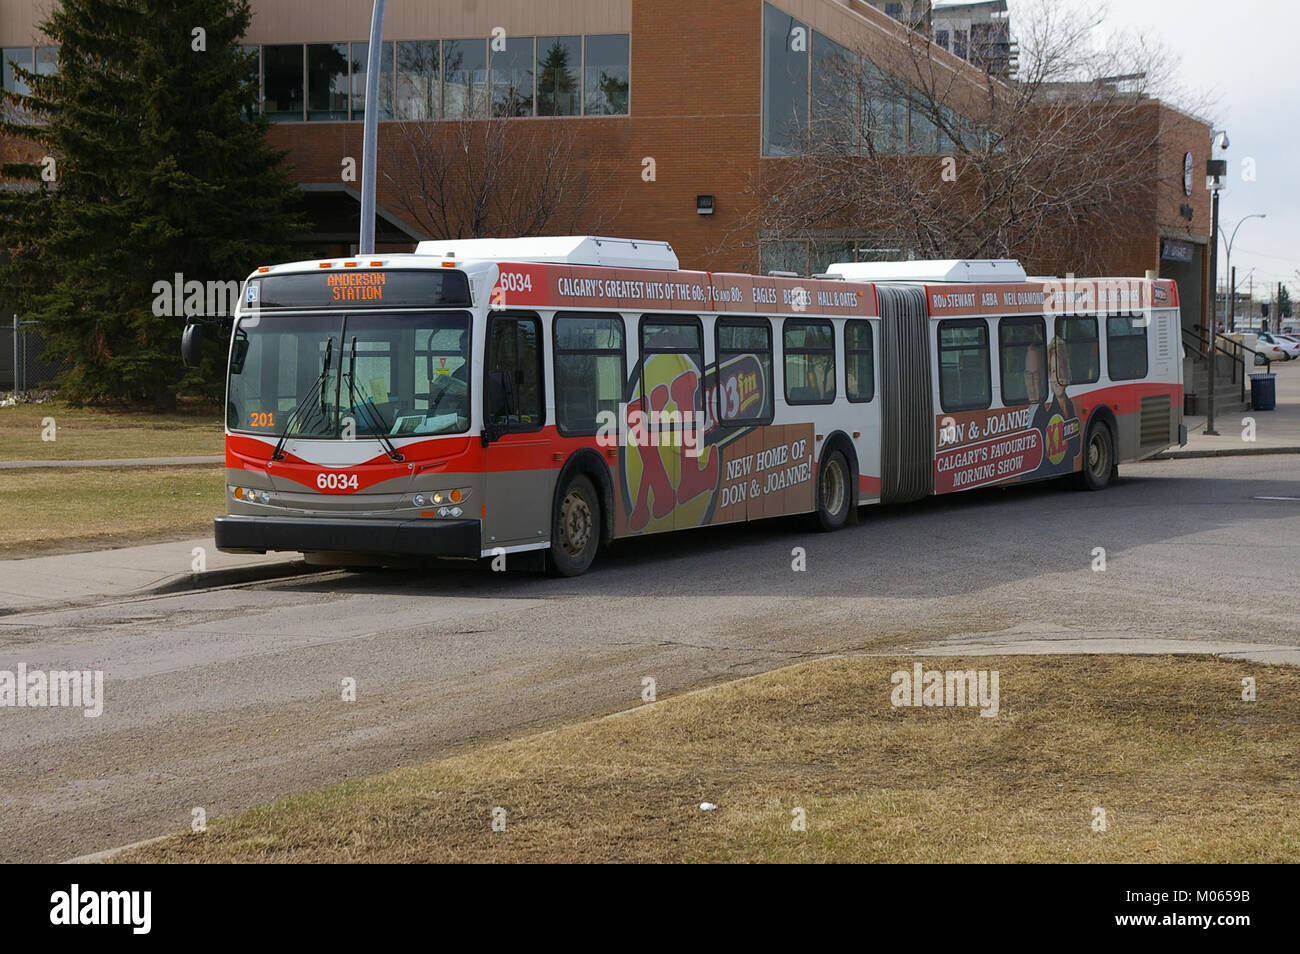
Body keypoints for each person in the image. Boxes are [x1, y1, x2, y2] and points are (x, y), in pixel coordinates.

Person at [1028, 336, 1081, 478]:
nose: (1058, 377)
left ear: (1068, 370)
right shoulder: (1045, 413)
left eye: (1061, 368)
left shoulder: (1072, 406)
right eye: (1052, 371)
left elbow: (1076, 449)